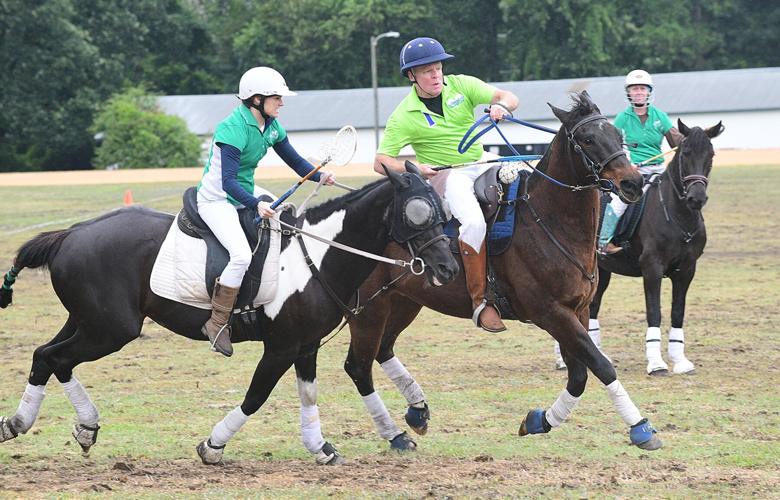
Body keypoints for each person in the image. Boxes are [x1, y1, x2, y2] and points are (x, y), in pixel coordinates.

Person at [374, 37, 520, 333]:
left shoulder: (462, 84)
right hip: (446, 176)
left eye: (438, 68)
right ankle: (480, 301)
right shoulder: (404, 114)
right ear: (412, 76)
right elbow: (380, 162)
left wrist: (501, 107)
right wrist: (414, 168)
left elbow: (508, 95)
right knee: (474, 224)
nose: (436, 75)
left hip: (481, 160)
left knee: (527, 179)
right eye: (427, 71)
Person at [197, 66, 336, 357]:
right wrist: (255, 204)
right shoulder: (233, 129)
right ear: (257, 99)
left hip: (245, 190)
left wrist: (318, 175)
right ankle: (217, 322)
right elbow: (228, 182)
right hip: (218, 199)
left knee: (290, 223)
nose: (282, 103)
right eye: (277, 98)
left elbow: (295, 161)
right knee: (240, 256)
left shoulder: (271, 125)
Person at [598, 69, 684, 254]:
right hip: (632, 172)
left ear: (648, 92)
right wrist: (627, 165)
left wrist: (692, 140)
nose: (638, 92)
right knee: (617, 203)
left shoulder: (659, 116)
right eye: (634, 89)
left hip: (659, 170)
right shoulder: (622, 118)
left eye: (642, 88)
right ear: (628, 93)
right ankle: (604, 242)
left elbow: (676, 139)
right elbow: (615, 145)